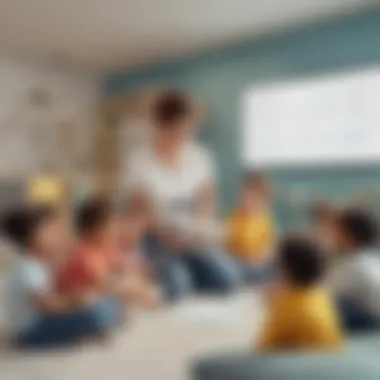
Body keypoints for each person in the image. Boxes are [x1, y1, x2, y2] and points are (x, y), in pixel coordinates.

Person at [126, 90, 239, 301]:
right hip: (158, 238)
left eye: (187, 129)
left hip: (193, 235)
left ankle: (188, 269)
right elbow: (140, 213)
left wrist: (199, 227)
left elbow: (208, 198)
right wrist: (167, 236)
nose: (183, 136)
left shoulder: (199, 156)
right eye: (176, 130)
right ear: (160, 127)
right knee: (177, 288)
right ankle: (178, 272)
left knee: (228, 279)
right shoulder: (139, 161)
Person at [2, 205, 102, 348]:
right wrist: (74, 303)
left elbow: (55, 292)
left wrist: (75, 298)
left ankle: (76, 332)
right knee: (91, 316)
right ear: (33, 238)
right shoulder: (27, 267)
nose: (57, 239)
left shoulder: (38, 264)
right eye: (51, 234)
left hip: (40, 322)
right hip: (30, 330)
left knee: (97, 308)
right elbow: (45, 303)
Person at [57, 198, 154, 312]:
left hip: (102, 301)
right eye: (111, 225)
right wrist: (135, 288)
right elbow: (108, 284)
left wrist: (138, 285)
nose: (116, 230)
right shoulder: (82, 252)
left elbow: (130, 273)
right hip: (74, 311)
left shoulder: (106, 249)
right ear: (96, 228)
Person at [255, 234, 342, 351]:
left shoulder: (285, 307)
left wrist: (275, 304)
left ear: (286, 269)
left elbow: (261, 350)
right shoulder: (321, 295)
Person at [329, 207, 380, 332]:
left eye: (337, 231)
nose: (332, 235)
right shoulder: (373, 261)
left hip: (365, 327)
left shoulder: (351, 267)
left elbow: (323, 296)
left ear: (348, 235)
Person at [225, 172, 275, 283]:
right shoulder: (234, 216)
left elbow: (269, 245)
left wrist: (261, 256)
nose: (250, 197)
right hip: (240, 264)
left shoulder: (264, 218)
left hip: (260, 264)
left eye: (255, 194)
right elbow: (229, 246)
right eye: (246, 192)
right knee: (234, 270)